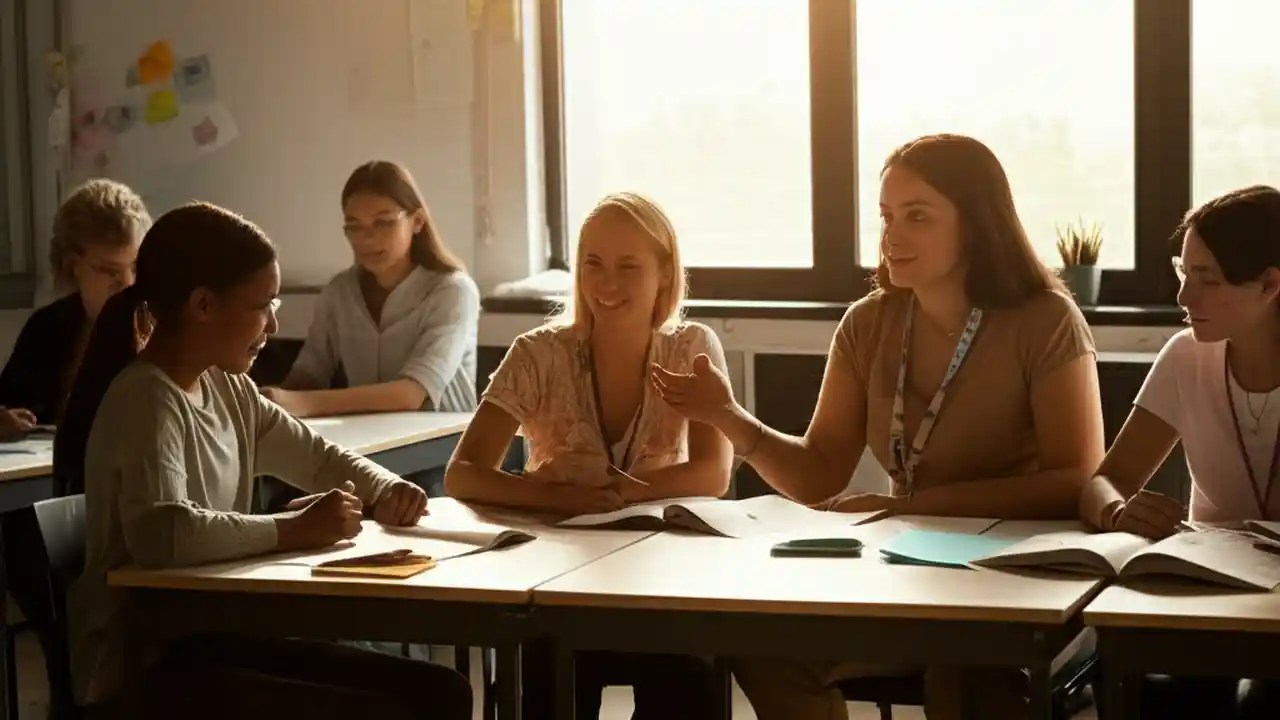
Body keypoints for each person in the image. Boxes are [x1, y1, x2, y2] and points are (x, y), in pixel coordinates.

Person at [650, 134, 1105, 720]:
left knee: (967, 671)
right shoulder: (867, 324)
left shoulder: (1046, 319)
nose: (891, 235)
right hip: (909, 571)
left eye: (918, 216)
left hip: (1017, 576)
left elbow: (1075, 480)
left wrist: (912, 507)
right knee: (766, 648)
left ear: (977, 224)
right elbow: (818, 474)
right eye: (887, 215)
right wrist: (728, 418)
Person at [60, 202, 471, 719]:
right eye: (262, 305)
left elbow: (317, 457)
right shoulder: (147, 398)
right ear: (203, 305)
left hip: (211, 637)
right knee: (395, 709)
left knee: (441, 692)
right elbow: (162, 534)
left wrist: (385, 489)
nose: (274, 324)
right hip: (146, 663)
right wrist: (294, 529)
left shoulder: (228, 389)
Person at [446, 192, 731, 718]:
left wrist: (618, 492)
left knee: (687, 676)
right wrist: (559, 497)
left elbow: (713, 473)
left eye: (628, 267)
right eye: (593, 264)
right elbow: (462, 474)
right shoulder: (537, 351)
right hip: (558, 576)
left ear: (665, 274)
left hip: (660, 571)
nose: (607, 284)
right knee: (549, 673)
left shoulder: (691, 345)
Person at [1078, 185, 1280, 719]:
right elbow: (1105, 480)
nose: (1184, 298)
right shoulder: (1186, 356)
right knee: (1138, 681)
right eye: (1183, 273)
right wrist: (1118, 510)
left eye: (1206, 280)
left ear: (1270, 284)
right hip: (1208, 598)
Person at [266, 160, 479, 418]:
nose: (366, 238)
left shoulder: (452, 291)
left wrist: (303, 403)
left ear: (417, 222)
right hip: (369, 436)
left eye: (384, 222)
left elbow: (411, 394)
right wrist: (268, 402)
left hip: (447, 438)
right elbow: (309, 374)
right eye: (354, 225)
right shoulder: (339, 292)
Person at [0, 179, 150, 439]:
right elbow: (8, 402)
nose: (128, 284)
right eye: (110, 271)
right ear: (73, 265)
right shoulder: (48, 327)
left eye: (135, 267)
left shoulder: (162, 330)